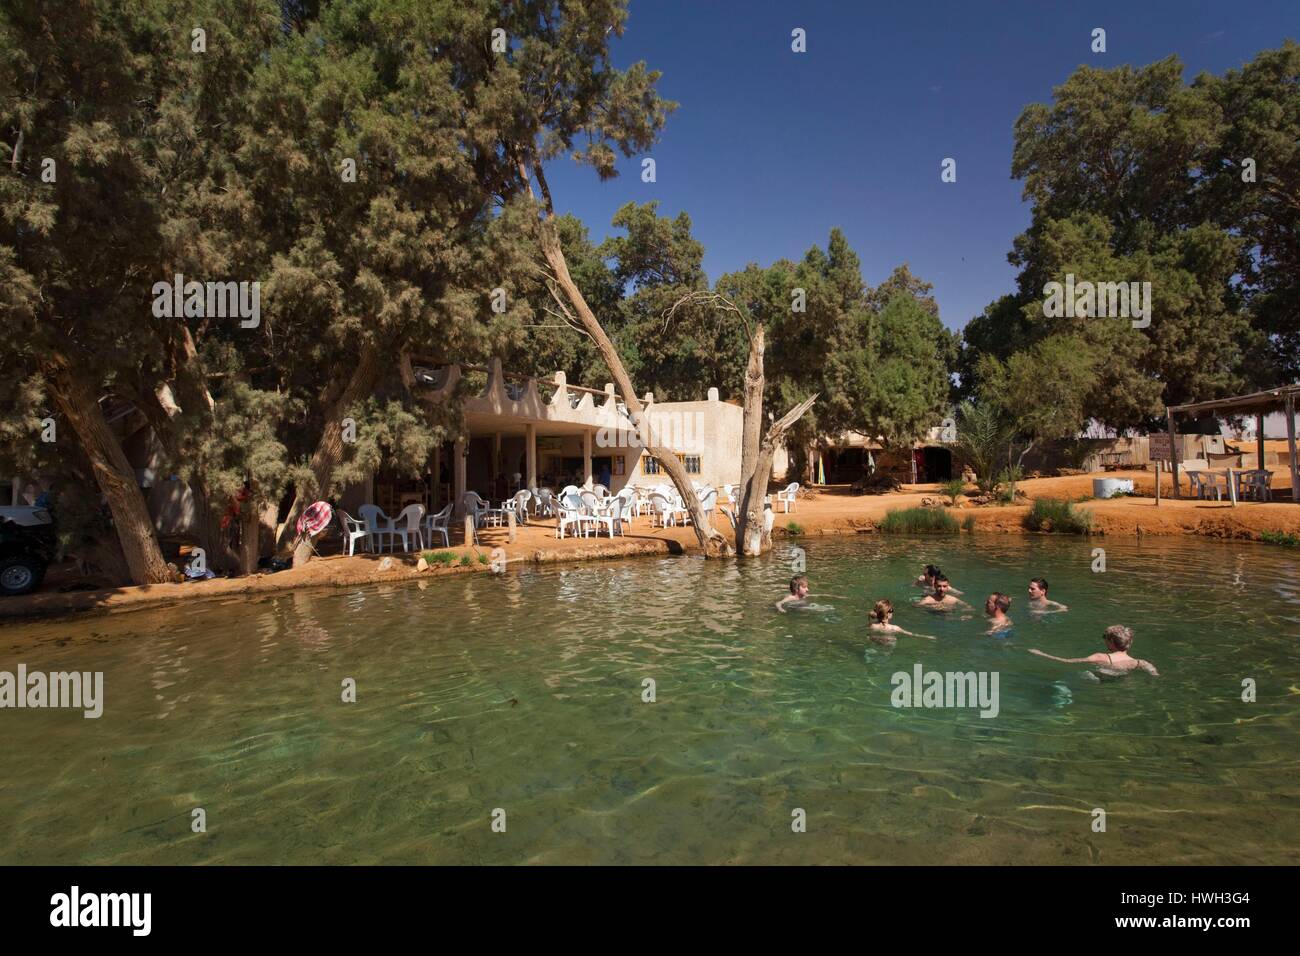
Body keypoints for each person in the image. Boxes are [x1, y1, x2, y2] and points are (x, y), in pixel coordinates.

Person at [1028, 625, 1159, 678]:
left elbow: (1067, 662)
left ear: (1111, 642)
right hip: (1121, 679)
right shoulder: (1139, 662)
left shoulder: (1101, 657)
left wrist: (1041, 654)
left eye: (1105, 638)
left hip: (1099, 680)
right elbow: (1154, 674)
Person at [868, 598, 934, 645]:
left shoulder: (872, 625)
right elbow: (911, 634)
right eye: (892, 610)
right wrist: (927, 637)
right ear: (888, 613)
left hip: (875, 644)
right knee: (893, 639)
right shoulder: (894, 628)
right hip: (888, 647)